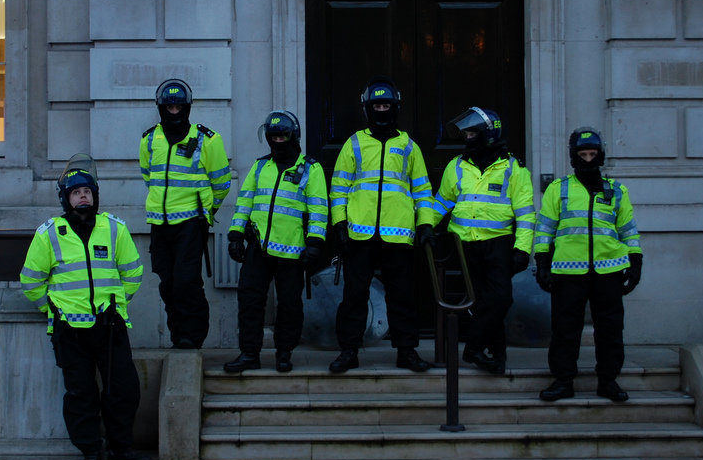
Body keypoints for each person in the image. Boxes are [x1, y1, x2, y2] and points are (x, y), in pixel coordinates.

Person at [20, 154, 152, 460]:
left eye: (87, 192)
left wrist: (117, 305)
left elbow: (133, 273)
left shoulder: (114, 229)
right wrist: (52, 310)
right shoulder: (49, 234)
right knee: (80, 393)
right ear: (66, 198)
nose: (82, 196)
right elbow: (31, 281)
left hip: (109, 327)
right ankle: (91, 451)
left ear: (95, 196)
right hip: (70, 331)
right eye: (76, 192)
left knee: (123, 389)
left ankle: (121, 448)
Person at [328, 76, 435, 374]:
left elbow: (423, 191)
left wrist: (426, 224)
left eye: (386, 105)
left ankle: (406, 351)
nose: (382, 110)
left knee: (401, 296)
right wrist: (339, 227)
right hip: (359, 233)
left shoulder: (409, 146)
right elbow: (338, 190)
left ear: (395, 108)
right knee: (354, 297)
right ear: (367, 108)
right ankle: (348, 351)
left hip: (398, 234)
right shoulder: (354, 144)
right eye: (376, 105)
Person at [534, 127, 643, 402]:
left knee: (610, 330)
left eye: (593, 154)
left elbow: (628, 229)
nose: (588, 159)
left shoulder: (617, 191)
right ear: (573, 157)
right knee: (564, 330)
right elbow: (544, 228)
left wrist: (636, 262)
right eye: (582, 154)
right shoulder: (559, 190)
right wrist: (542, 263)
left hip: (609, 271)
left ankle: (608, 381)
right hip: (568, 272)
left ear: (601, 156)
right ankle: (562, 381)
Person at [425, 107, 535, 375]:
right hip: (465, 246)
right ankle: (497, 356)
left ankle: (473, 348)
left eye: (473, 133)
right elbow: (442, 202)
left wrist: (522, 249)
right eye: (466, 133)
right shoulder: (457, 166)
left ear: (488, 134)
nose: (468, 138)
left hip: (498, 244)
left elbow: (526, 213)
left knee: (499, 298)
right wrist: (426, 225)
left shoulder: (513, 168)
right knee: (483, 300)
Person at [223, 110, 328, 373]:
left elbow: (318, 208)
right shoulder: (260, 167)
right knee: (249, 301)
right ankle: (249, 354)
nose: (278, 140)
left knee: (290, 305)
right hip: (258, 248)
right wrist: (235, 235)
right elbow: (244, 202)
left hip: (292, 250)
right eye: (274, 136)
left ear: (293, 136)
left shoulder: (311, 168)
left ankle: (284, 353)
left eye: (283, 135)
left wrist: (315, 243)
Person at [140, 79, 231, 349]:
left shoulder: (207, 140)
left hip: (191, 223)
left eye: (178, 105)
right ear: (161, 107)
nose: (174, 109)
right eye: (169, 105)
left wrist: (206, 210)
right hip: (160, 223)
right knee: (167, 284)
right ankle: (177, 335)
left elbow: (222, 183)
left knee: (186, 282)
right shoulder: (149, 140)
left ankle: (192, 336)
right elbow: (149, 177)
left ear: (187, 107)